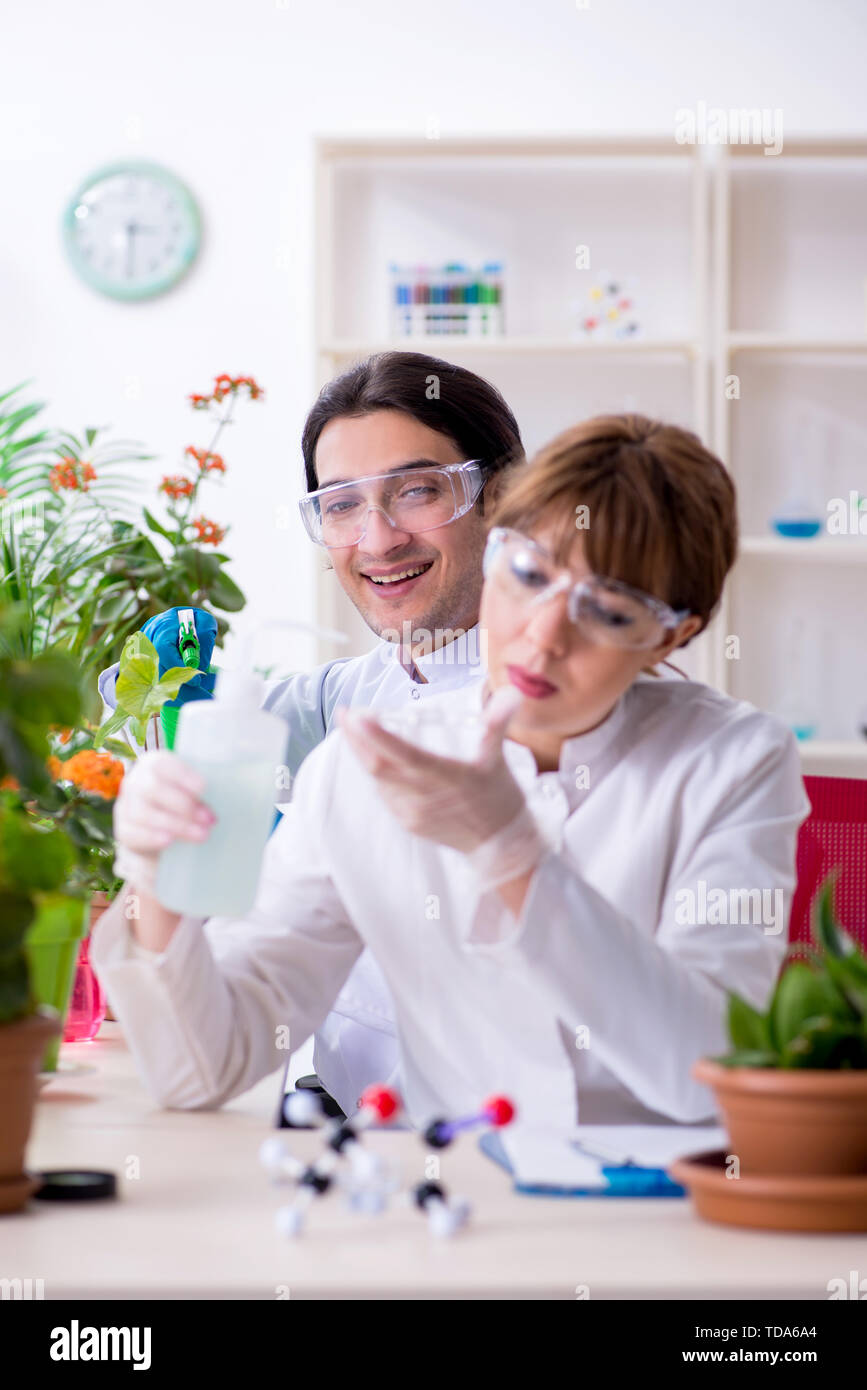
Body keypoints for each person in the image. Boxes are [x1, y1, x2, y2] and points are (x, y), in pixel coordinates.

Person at [92, 413, 810, 1128]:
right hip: (438, 1203)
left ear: (672, 634)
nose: (543, 635)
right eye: (527, 573)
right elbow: (202, 1069)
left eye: (609, 611)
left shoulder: (733, 759)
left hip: (661, 1212)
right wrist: (159, 881)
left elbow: (709, 1074)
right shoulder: (368, 761)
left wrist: (510, 850)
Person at [99, 351, 523, 1114]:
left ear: (499, 497)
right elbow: (173, 735)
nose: (378, 539)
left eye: (418, 490)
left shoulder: (566, 709)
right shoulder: (345, 691)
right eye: (340, 505)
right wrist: (160, 696)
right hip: (352, 1133)